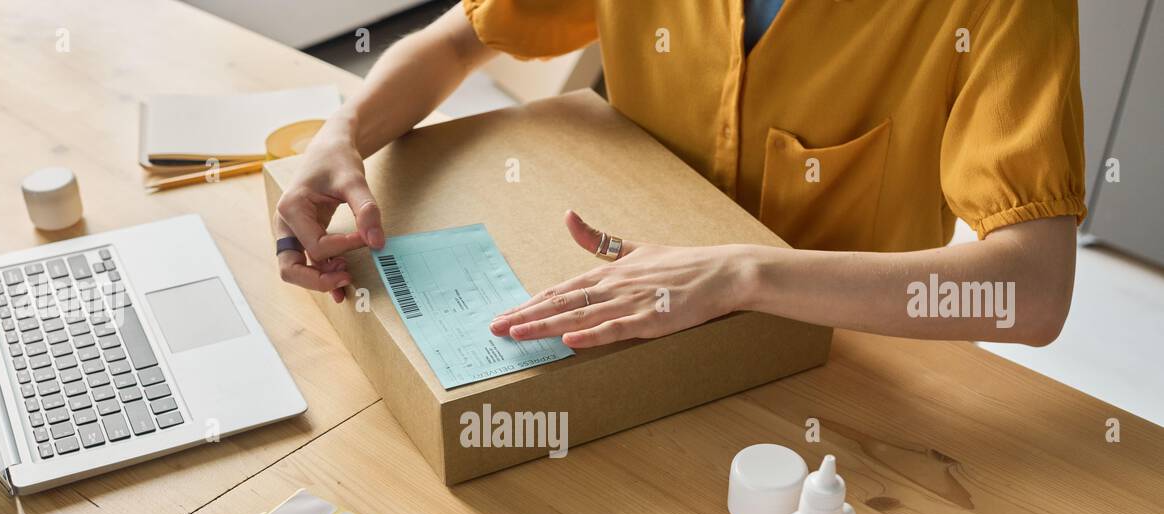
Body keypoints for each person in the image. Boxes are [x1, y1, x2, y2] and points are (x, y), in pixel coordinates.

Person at [274, 1, 1084, 349]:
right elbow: (458, 41)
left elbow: (1033, 289)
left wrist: (739, 273)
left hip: (841, 358)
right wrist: (342, 132)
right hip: (623, 312)